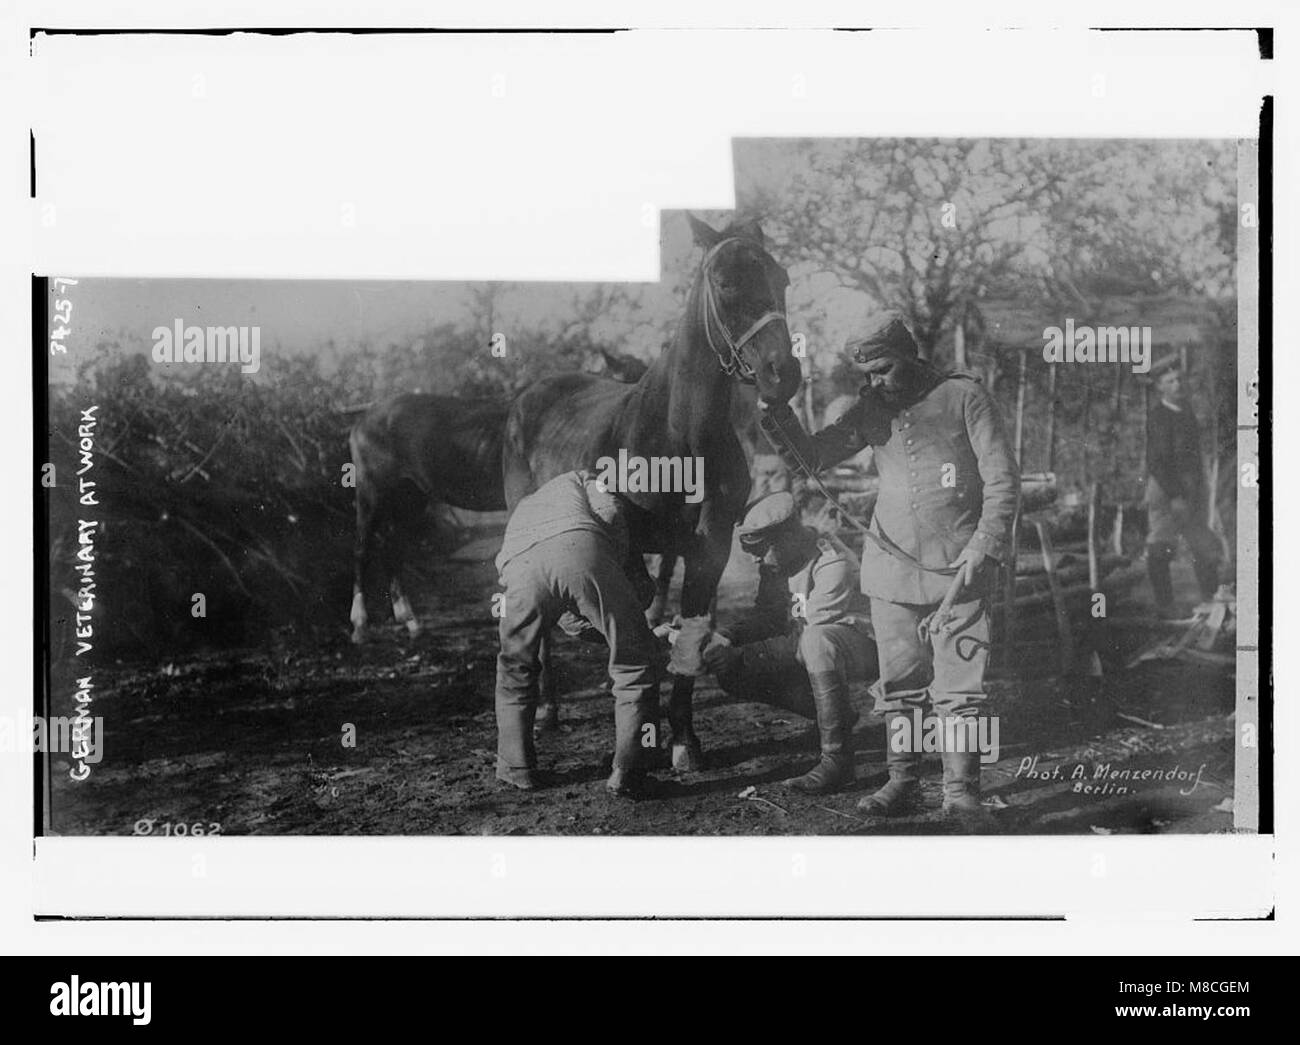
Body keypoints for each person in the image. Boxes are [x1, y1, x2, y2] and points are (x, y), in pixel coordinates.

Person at [757, 312, 1018, 819]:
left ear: (910, 355)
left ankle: (961, 794)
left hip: (957, 570)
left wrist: (983, 546)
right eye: (868, 375)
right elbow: (810, 459)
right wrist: (775, 406)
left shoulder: (965, 398)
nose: (875, 383)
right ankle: (903, 782)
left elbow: (1003, 481)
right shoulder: (870, 410)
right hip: (890, 573)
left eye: (884, 369)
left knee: (958, 690)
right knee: (899, 686)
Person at [494, 470, 659, 798]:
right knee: (634, 663)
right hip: (580, 547)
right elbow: (611, 514)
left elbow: (566, 616)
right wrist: (633, 622)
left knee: (515, 667)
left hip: (517, 568)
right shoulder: (588, 476)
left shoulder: (527, 504)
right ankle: (630, 768)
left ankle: (516, 767)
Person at [701, 492, 877, 793]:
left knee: (816, 641)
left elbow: (803, 637)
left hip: (867, 647)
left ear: (786, 539)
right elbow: (768, 615)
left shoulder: (832, 563)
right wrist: (725, 637)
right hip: (811, 644)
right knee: (732, 672)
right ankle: (836, 718)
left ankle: (837, 760)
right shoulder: (780, 560)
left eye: (761, 550)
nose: (756, 558)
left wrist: (741, 654)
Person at [1145, 364, 1222, 617]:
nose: (1177, 385)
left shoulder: (1186, 412)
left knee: (1203, 544)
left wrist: (1198, 490)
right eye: (1170, 381)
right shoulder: (1158, 416)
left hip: (1191, 489)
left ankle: (1211, 599)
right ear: (1160, 387)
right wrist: (1175, 495)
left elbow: (1193, 457)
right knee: (1162, 546)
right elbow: (1156, 462)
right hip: (1166, 490)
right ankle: (1164, 605)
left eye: (1179, 379)